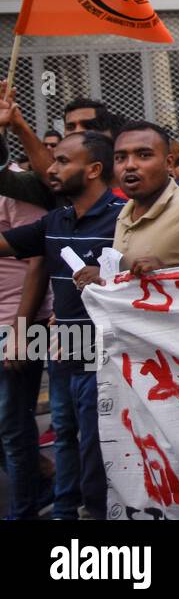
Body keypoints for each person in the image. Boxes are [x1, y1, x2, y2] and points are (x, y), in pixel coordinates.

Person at [0, 132, 124, 520]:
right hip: (63, 345)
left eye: (62, 162)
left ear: (94, 169)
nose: (51, 170)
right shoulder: (56, 219)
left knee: (94, 441)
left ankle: (97, 512)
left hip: (103, 347)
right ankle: (65, 511)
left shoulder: (124, 217)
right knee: (65, 435)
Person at [69, 122, 179, 290]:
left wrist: (167, 275)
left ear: (169, 163)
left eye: (144, 155)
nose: (130, 165)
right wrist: (105, 276)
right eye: (120, 158)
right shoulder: (126, 211)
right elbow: (133, 280)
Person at [0, 186, 50, 519]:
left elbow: (39, 258)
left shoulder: (17, 187)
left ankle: (24, 511)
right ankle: (41, 483)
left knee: (12, 427)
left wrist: (21, 330)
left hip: (16, 323)